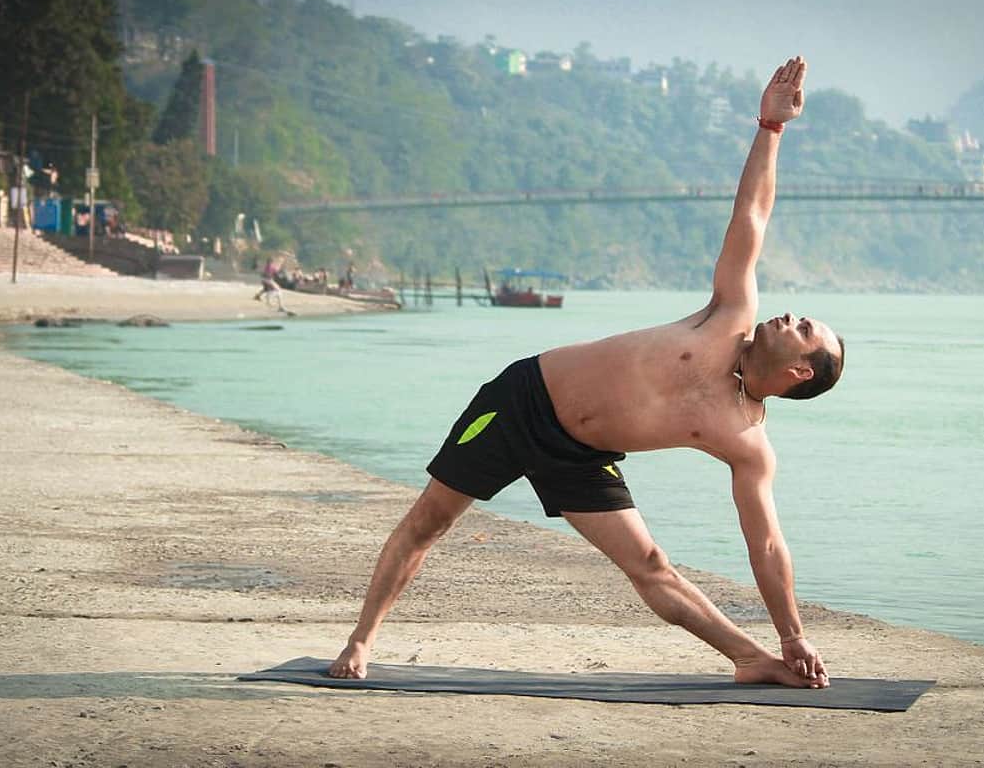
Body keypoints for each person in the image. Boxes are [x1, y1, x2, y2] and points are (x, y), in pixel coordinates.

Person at [331, 56, 843, 689]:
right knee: (429, 520)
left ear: (798, 371)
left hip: (578, 452)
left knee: (650, 564)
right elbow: (752, 216)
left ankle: (752, 657)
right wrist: (771, 126)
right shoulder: (729, 314)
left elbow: (765, 545)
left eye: (805, 328)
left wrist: (793, 633)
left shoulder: (746, 443)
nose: (790, 315)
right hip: (520, 402)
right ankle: (360, 642)